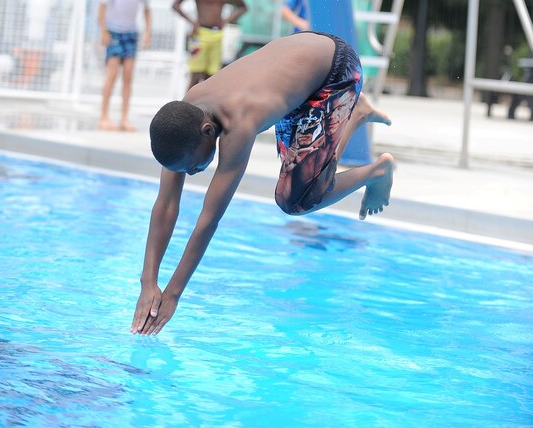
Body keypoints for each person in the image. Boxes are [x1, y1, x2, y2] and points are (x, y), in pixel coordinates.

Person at [131, 31, 394, 335]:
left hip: (335, 71)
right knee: (303, 169)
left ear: (207, 131)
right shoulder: (186, 110)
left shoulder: (240, 124)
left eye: (191, 167)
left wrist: (173, 294)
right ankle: (357, 112)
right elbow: (165, 204)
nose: (191, 174)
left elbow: (208, 219)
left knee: (296, 197)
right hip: (303, 58)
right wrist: (148, 282)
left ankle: (377, 170)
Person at [172, 0, 248, 89]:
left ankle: (205, 110)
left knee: (211, 77)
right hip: (200, 35)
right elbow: (176, 4)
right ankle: (187, 109)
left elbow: (243, 7)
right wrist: (192, 22)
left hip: (217, 35)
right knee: (195, 76)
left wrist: (227, 20)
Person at [98, 0, 151, 132]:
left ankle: (124, 117)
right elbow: (103, 5)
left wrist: (147, 32)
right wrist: (103, 31)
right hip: (114, 32)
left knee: (128, 76)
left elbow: (146, 9)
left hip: (130, 33)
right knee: (112, 74)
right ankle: (104, 115)